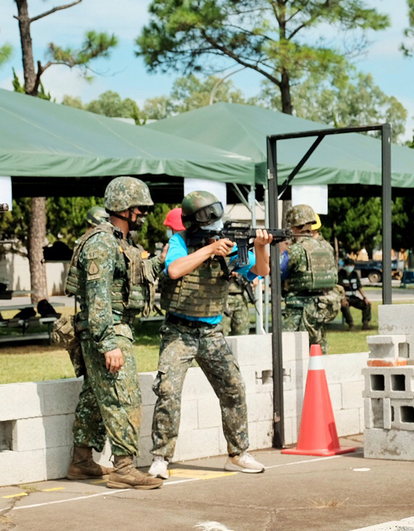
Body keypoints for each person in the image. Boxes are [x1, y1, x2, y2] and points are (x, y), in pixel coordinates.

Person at [148, 191, 271, 480]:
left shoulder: (228, 244)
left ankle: (237, 454)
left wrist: (261, 247)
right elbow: (174, 269)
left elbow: (261, 271)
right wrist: (210, 249)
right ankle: (161, 458)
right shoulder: (180, 241)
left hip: (211, 331)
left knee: (234, 388)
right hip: (179, 330)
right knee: (168, 391)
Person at [64, 177, 161, 490]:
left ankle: (81, 462)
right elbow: (98, 297)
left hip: (115, 327)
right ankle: (124, 467)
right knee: (124, 397)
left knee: (95, 397)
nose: (143, 215)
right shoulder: (102, 243)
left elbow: (137, 274)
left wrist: (165, 258)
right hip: (109, 329)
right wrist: (109, 343)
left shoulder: (122, 241)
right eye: (139, 209)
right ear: (124, 208)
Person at [279, 204, 341, 352]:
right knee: (318, 351)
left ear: (294, 227)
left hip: (298, 311)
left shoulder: (296, 250)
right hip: (321, 308)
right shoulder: (326, 247)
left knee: (288, 352)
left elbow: (278, 272)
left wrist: (280, 252)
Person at [339, 258, 372, 331]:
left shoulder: (354, 274)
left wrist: (365, 298)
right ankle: (351, 324)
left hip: (353, 297)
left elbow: (359, 287)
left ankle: (365, 323)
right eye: (348, 265)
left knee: (367, 305)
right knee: (344, 306)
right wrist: (343, 300)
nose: (350, 267)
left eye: (351, 265)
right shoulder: (340, 274)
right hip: (344, 298)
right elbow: (340, 288)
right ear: (344, 266)